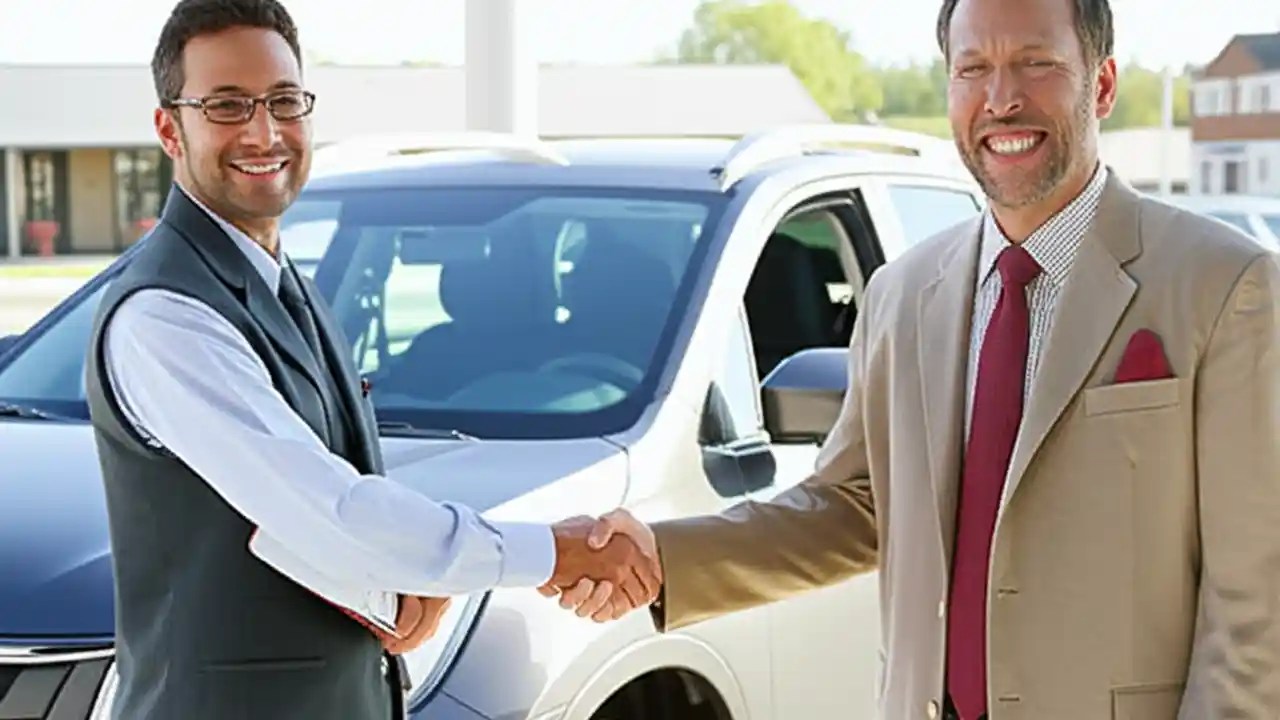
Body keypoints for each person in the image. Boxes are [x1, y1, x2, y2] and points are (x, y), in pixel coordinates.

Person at [546, 0, 1280, 717]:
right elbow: (856, 506)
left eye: (1036, 63)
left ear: (1104, 84)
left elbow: (1255, 605)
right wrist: (661, 558)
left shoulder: (1224, 286)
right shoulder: (901, 295)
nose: (1001, 98)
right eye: (973, 68)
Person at [83, 2, 657, 719]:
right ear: (170, 129)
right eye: (227, 106)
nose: (264, 132)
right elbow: (325, 508)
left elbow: (291, 518)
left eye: (284, 101)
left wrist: (406, 577)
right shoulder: (165, 317)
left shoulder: (286, 286)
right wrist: (554, 551)